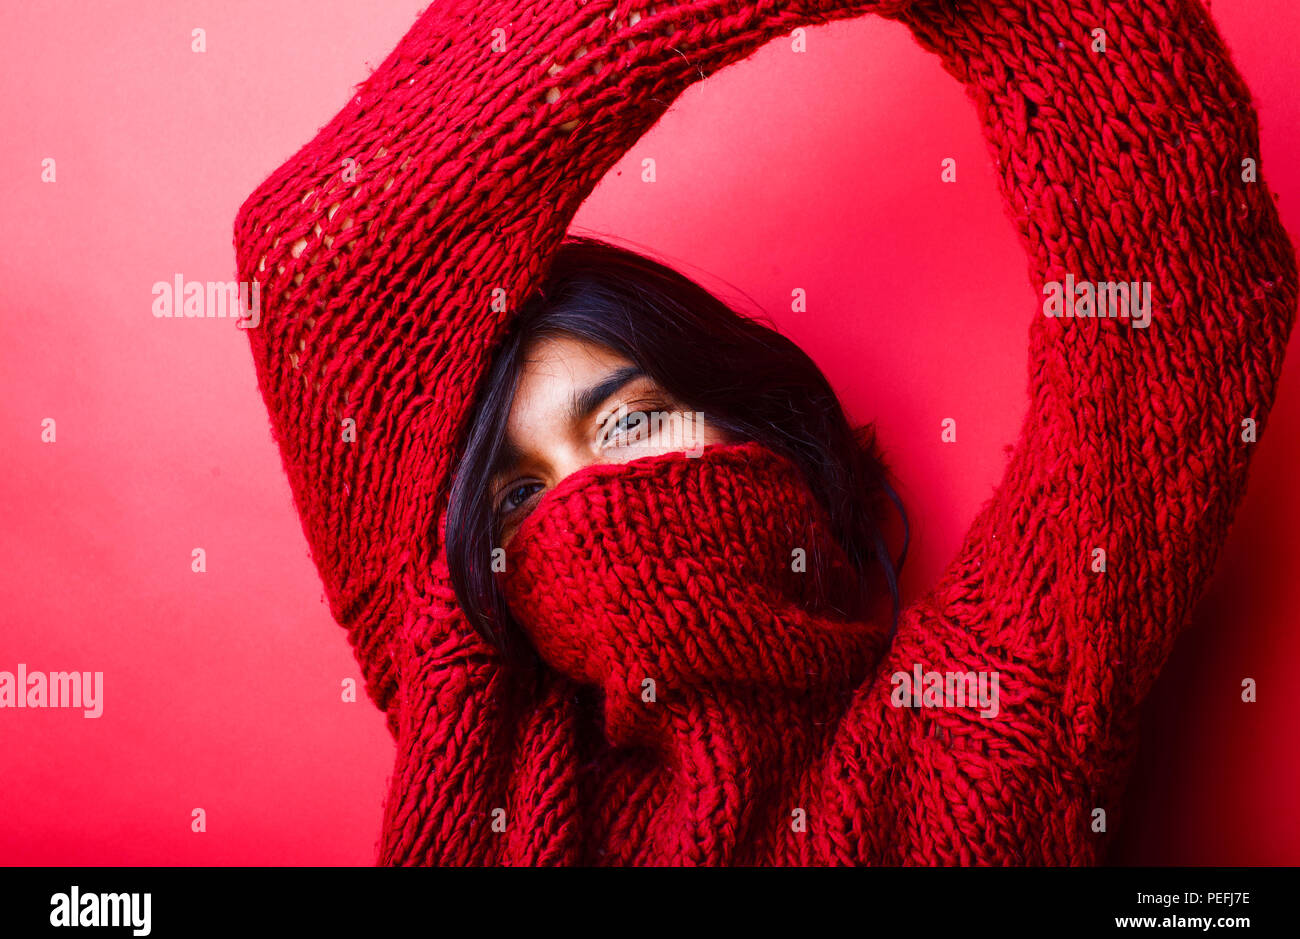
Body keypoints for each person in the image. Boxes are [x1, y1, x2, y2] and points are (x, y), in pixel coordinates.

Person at [233, 0, 1297, 865]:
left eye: (630, 419)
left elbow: (1185, 298)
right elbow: (317, 266)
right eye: (518, 495)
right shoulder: (476, 715)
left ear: (763, 430)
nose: (582, 503)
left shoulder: (978, 726)